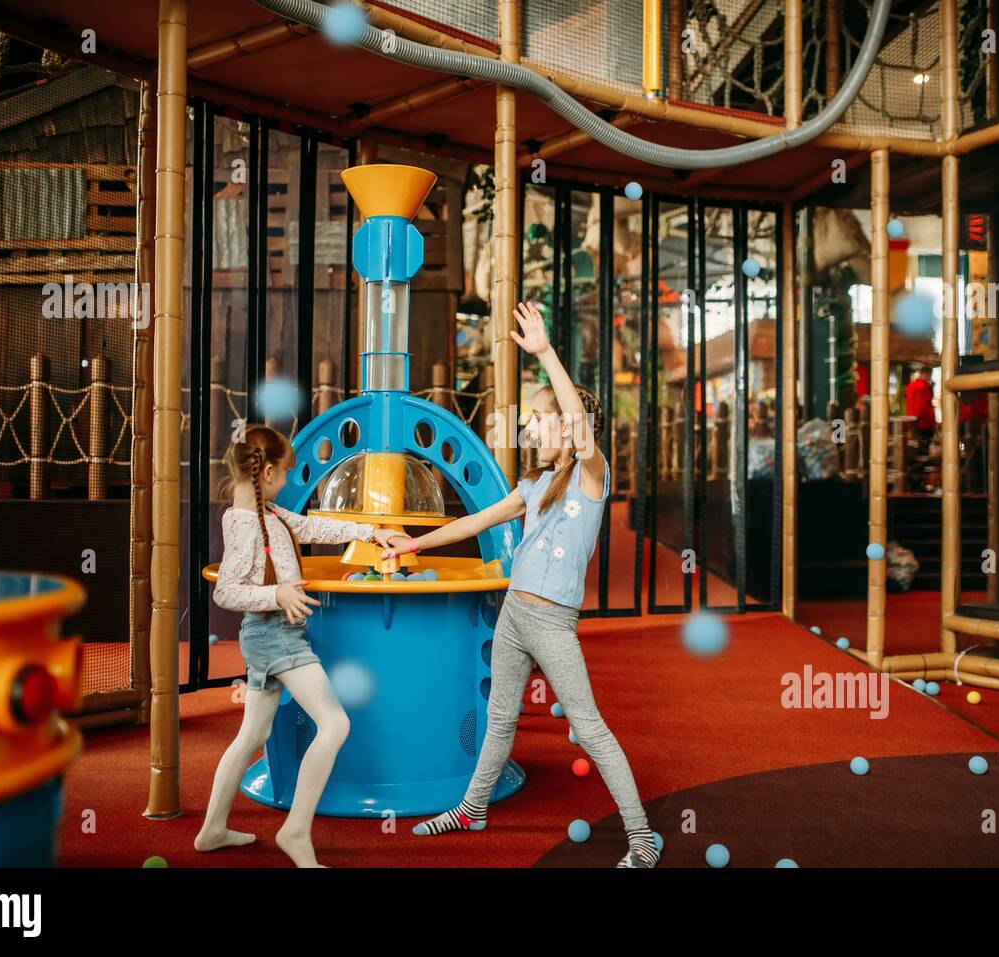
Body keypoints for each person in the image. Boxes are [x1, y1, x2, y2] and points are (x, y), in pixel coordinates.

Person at [382, 301, 660, 868]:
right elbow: (473, 521)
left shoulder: (592, 475)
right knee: (500, 717)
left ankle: (643, 838)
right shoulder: (533, 485)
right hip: (513, 615)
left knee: (590, 729)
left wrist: (545, 352)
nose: (532, 425)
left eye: (542, 416)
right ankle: (473, 806)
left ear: (568, 424)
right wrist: (410, 543)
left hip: (553, 622)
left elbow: (579, 428)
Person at [197, 424, 399, 867]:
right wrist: (278, 594)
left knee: (253, 733)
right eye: (285, 473)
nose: (288, 480)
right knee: (335, 724)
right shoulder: (248, 524)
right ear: (267, 472)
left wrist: (370, 534)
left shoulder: (269, 513)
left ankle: (212, 829)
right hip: (273, 637)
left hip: (272, 636)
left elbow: (314, 526)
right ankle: (295, 832)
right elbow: (225, 592)